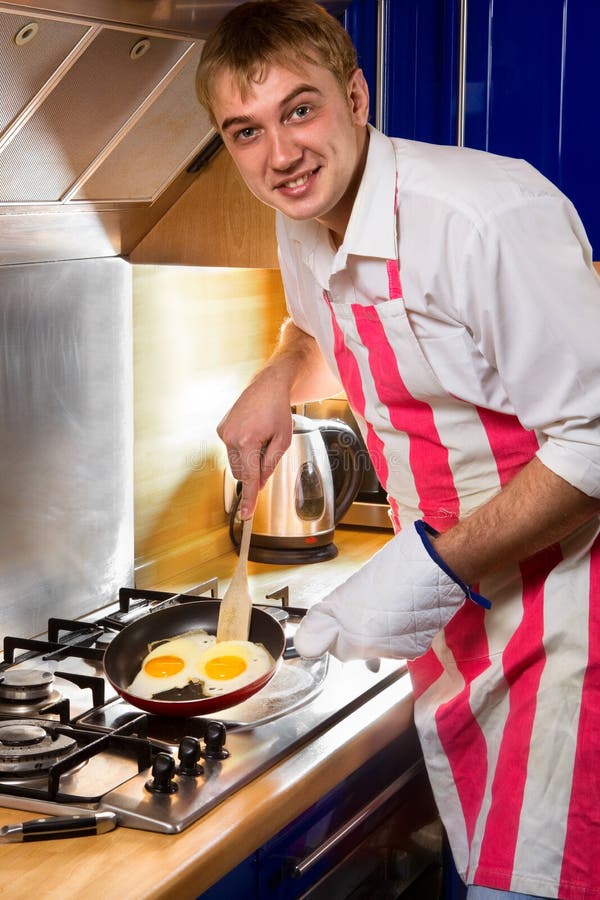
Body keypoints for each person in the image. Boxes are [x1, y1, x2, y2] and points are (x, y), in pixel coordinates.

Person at [196, 2, 600, 897]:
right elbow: (319, 325)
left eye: (300, 110)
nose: (280, 156)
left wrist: (421, 576)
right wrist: (279, 371)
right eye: (246, 132)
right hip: (464, 622)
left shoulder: (484, 217)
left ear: (355, 94)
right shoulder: (299, 221)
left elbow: (597, 442)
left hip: (573, 622)